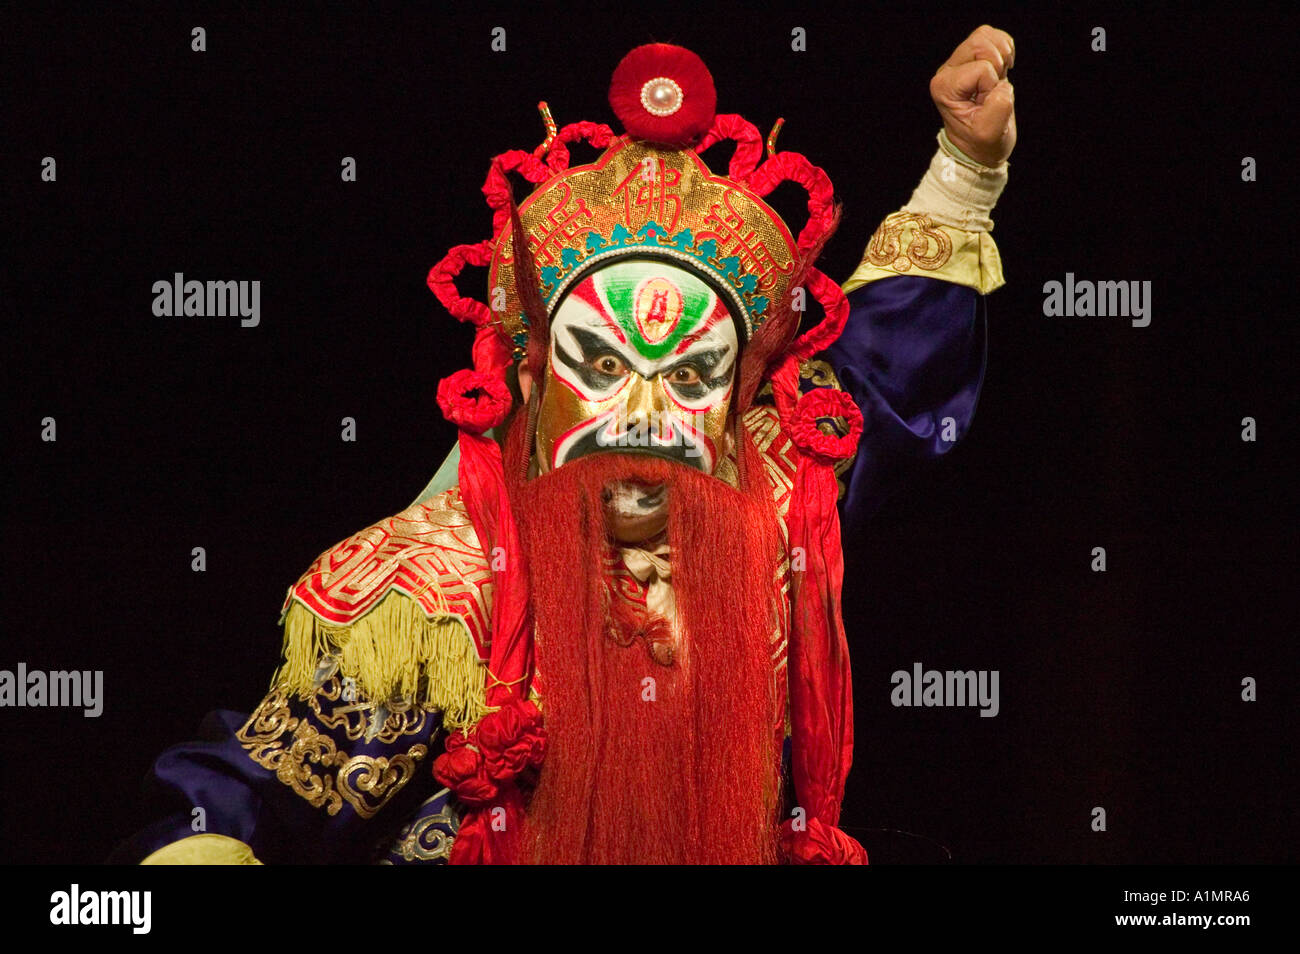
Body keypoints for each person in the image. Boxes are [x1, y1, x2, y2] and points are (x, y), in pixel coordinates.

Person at [119, 27, 1017, 865]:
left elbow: (887, 370)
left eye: (694, 375)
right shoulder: (438, 591)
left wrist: (965, 166)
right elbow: (257, 793)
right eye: (599, 361)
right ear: (530, 381)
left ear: (738, 404)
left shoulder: (771, 502)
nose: (642, 410)